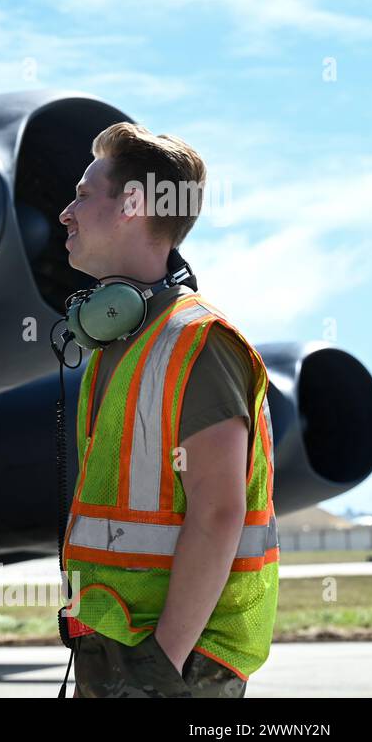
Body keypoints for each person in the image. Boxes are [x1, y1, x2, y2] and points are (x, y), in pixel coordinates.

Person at [57, 122, 278, 698]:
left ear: (133, 204)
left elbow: (220, 511)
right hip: (116, 641)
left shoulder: (198, 342)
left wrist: (164, 663)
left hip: (176, 660)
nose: (65, 213)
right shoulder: (122, 342)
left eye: (83, 194)